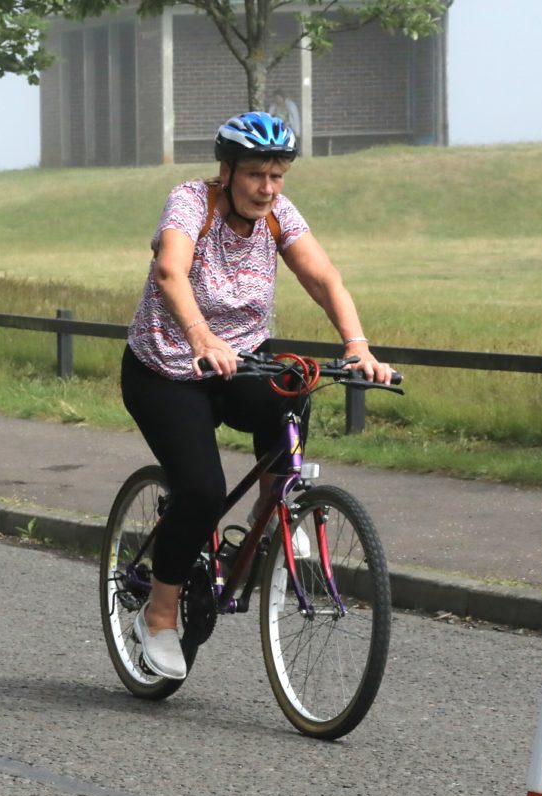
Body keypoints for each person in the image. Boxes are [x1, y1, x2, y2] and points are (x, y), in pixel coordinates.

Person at [121, 112, 393, 680]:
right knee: (200, 489)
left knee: (293, 386)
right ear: (227, 172)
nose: (267, 188)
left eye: (278, 175)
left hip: (237, 362)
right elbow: (171, 273)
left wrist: (358, 345)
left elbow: (324, 278)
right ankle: (160, 614)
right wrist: (200, 337)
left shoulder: (278, 217)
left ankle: (275, 517)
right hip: (166, 369)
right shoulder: (191, 203)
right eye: (255, 175)